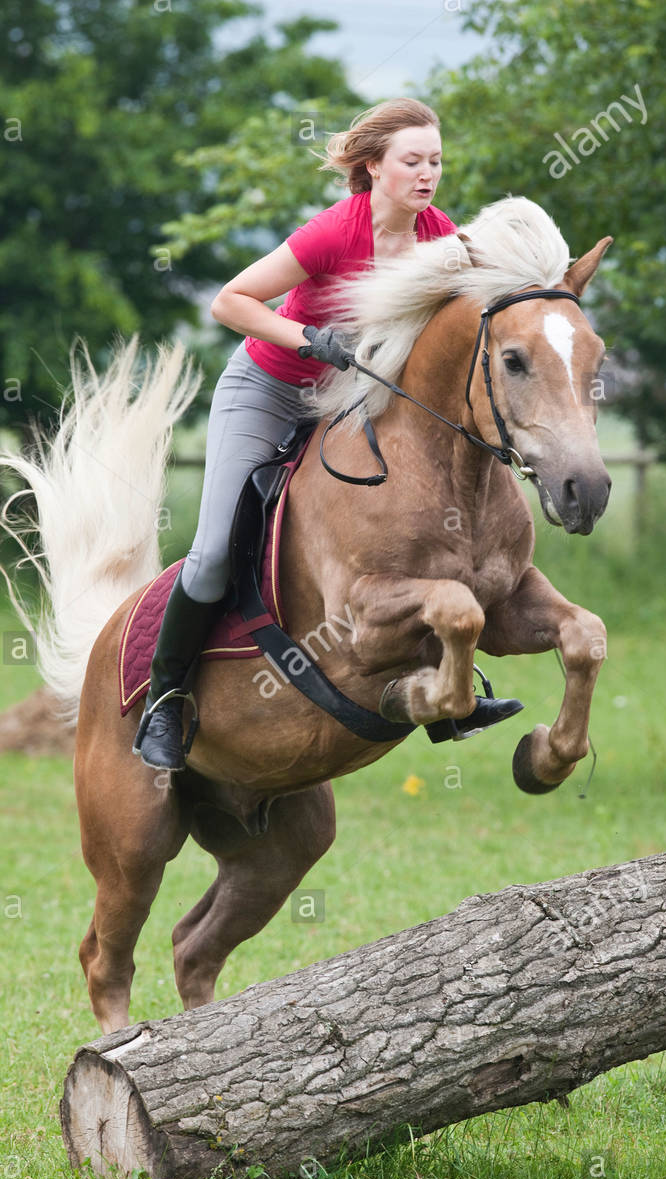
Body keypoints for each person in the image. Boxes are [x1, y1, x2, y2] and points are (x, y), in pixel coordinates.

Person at [133, 97, 519, 771]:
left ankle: (444, 692)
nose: (427, 174)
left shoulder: (441, 235)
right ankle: (164, 704)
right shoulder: (334, 232)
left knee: (412, 524)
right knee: (217, 550)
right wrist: (312, 338)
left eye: (435, 161)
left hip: (353, 399)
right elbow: (231, 301)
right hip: (270, 389)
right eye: (412, 161)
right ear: (373, 168)